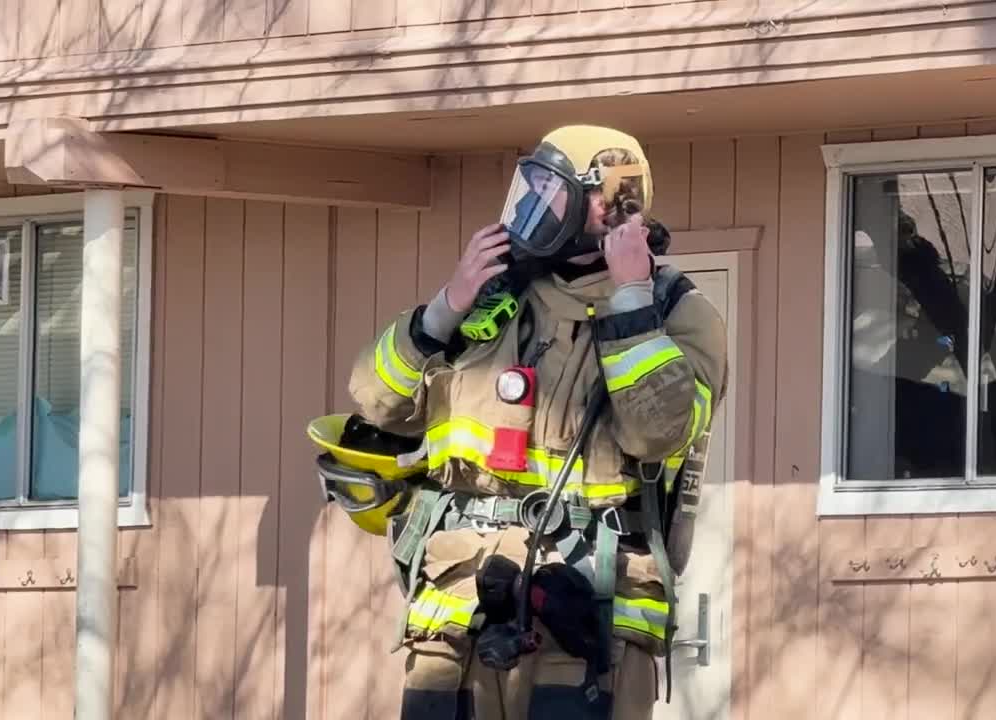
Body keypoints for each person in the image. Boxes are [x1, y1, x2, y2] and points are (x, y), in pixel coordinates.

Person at [307, 125, 729, 719]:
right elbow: (375, 401)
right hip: (457, 609)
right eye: (526, 189)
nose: (528, 209)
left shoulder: (677, 314)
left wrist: (631, 300)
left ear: (608, 205)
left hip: (586, 613)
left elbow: (656, 432)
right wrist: (444, 309)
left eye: (549, 194)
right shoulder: (491, 300)